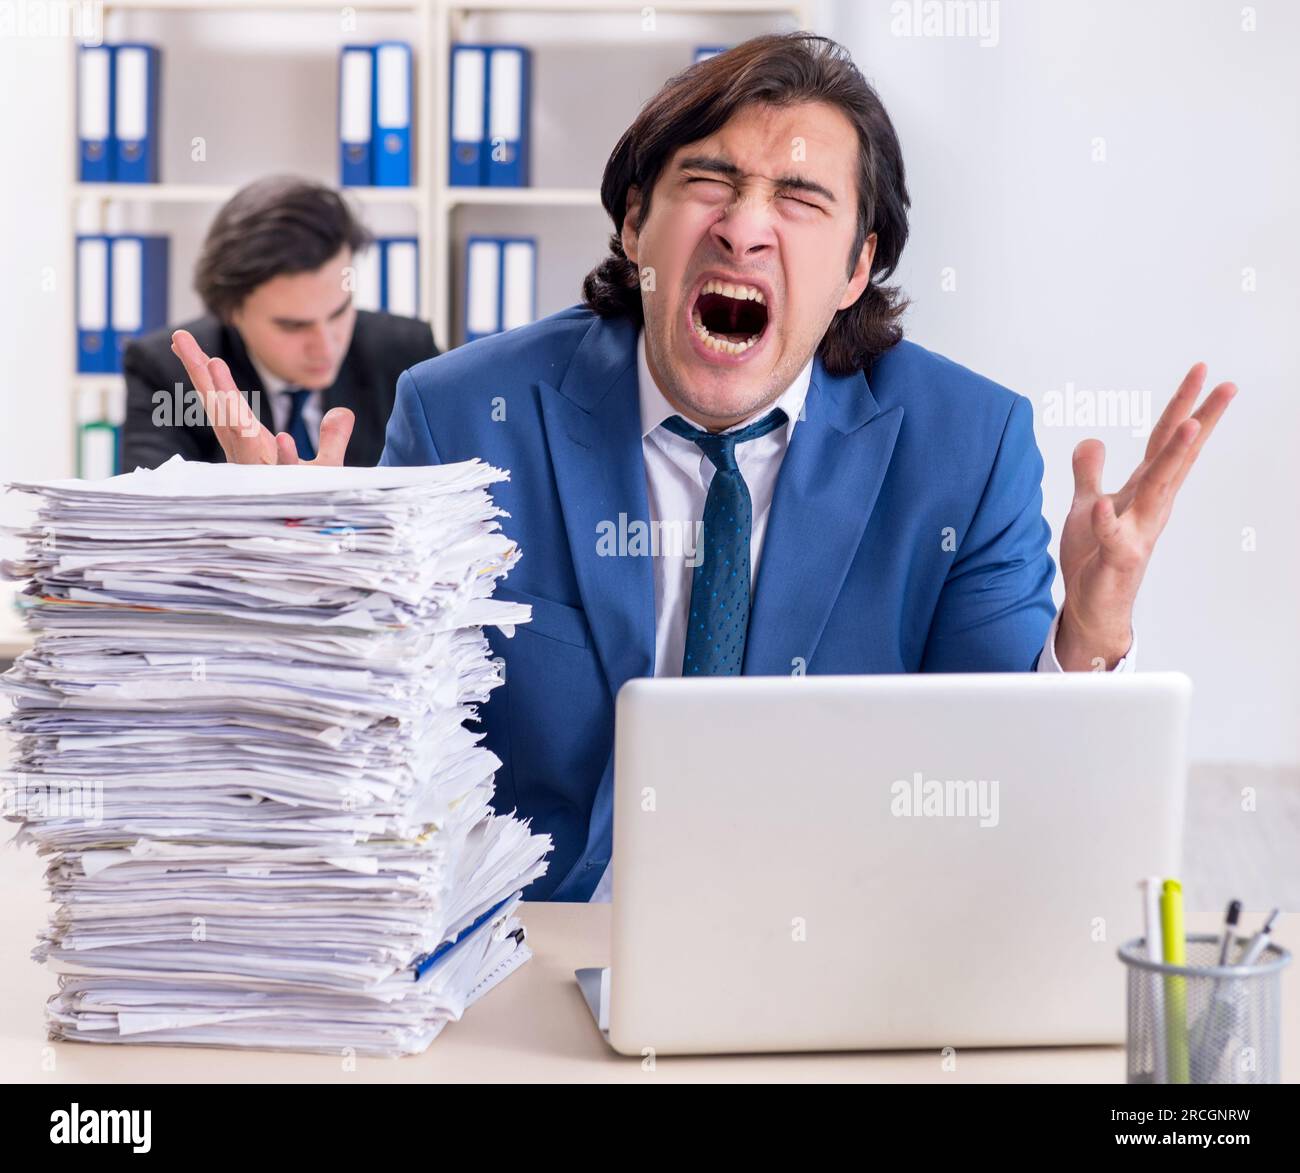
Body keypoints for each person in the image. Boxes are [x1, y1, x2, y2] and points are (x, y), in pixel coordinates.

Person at [169, 34, 1235, 902]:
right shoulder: (462, 415)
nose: (744, 227)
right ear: (635, 223)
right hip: (529, 951)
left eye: (802, 199)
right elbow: (371, 765)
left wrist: (1088, 638)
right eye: (708, 182)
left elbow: (1001, 789)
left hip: (844, 949)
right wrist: (297, 597)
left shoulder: (968, 444)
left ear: (859, 266)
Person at [121, 176, 437, 470]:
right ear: (232, 311)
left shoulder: (407, 354)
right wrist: (244, 495)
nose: (326, 346)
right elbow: (149, 518)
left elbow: (459, 502)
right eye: (293, 326)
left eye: (339, 312)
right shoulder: (167, 372)